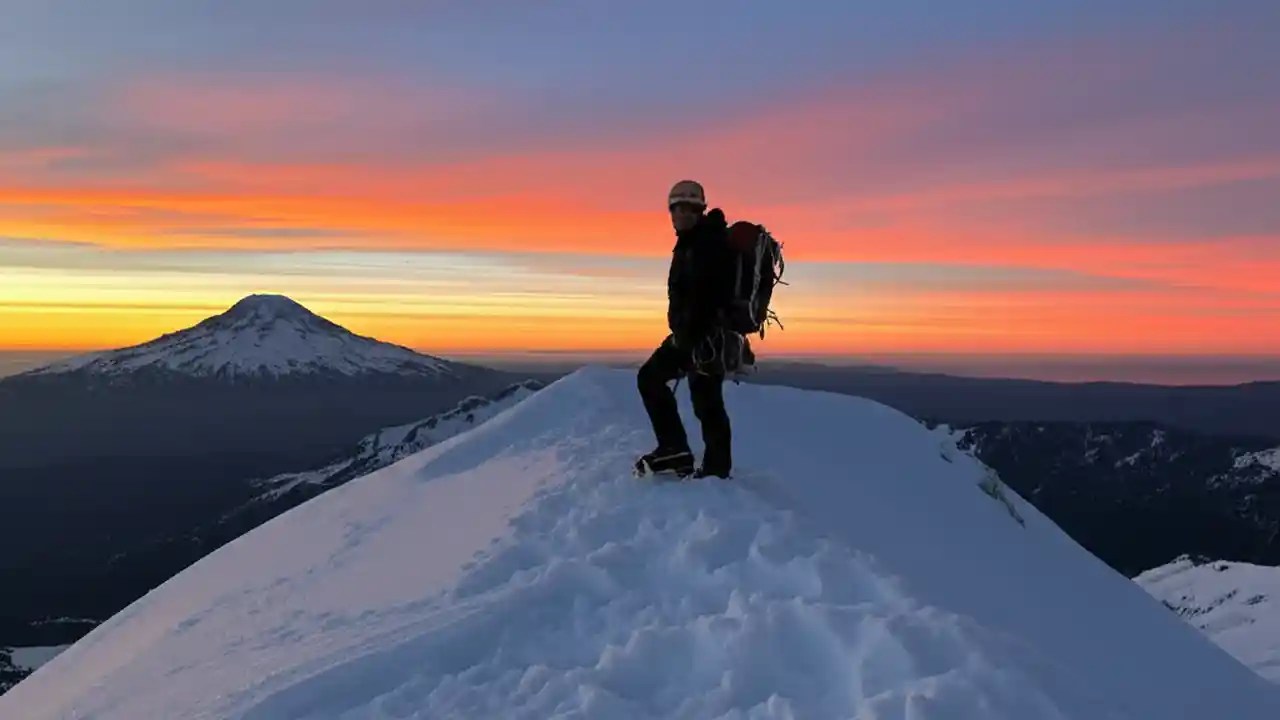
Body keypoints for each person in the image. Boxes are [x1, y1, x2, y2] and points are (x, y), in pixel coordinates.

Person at [635, 179, 747, 479]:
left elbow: (705, 295)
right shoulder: (694, 242)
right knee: (698, 398)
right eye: (677, 209)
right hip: (698, 337)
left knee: (699, 399)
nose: (680, 215)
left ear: (699, 210)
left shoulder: (706, 245)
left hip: (704, 339)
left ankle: (707, 466)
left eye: (687, 209)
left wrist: (688, 336)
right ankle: (688, 456)